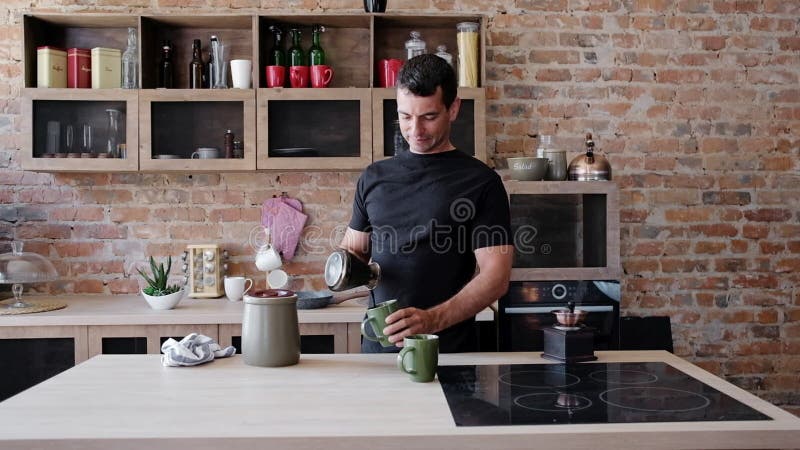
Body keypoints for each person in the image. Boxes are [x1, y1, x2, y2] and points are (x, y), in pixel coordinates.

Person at [339, 54, 513, 353]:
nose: (415, 130)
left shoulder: (481, 182)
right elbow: (354, 249)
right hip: (378, 354)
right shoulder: (374, 178)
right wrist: (340, 267)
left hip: (449, 356)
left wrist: (432, 320)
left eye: (429, 117)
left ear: (453, 108)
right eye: (405, 117)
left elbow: (496, 277)